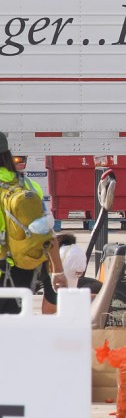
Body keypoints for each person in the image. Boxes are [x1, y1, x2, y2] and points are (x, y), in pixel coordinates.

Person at [0, 132, 63, 315]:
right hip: (24, 271)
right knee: (16, 330)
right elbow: (47, 232)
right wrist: (57, 270)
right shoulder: (28, 185)